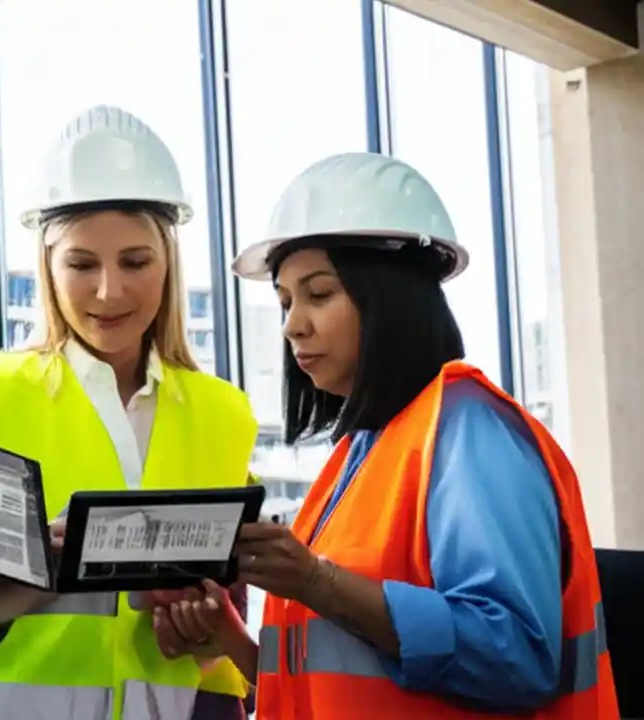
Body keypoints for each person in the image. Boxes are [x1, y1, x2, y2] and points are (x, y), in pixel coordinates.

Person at [151, 152, 619, 719]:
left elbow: (516, 656)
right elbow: (342, 683)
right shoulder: (363, 453)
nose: (292, 324)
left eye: (319, 294)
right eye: (285, 300)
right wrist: (231, 643)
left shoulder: (470, 434)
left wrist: (319, 581)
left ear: (390, 297)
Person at [0, 105, 260, 720]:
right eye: (82, 263)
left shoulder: (224, 414)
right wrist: (37, 576)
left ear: (168, 260)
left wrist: (203, 626)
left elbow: (229, 615)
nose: (108, 291)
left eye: (135, 261)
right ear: (48, 263)